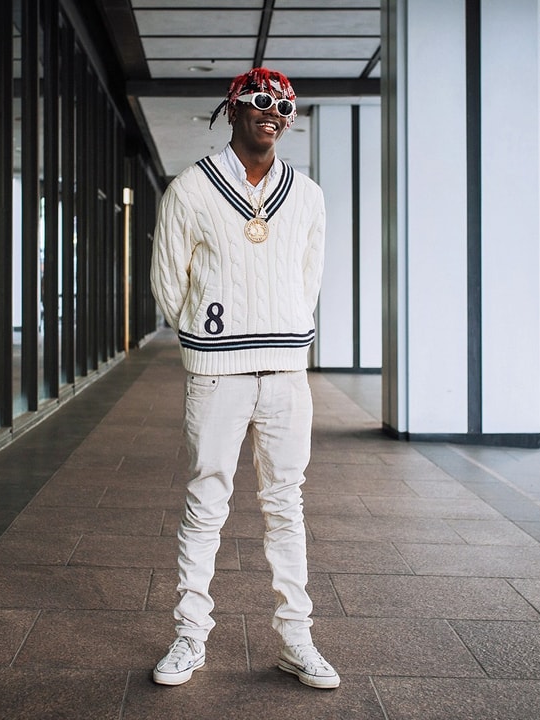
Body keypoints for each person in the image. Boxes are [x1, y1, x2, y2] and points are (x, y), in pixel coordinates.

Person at [149, 67, 338, 690]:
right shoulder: (190, 189)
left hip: (286, 371)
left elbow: (308, 277)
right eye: (260, 101)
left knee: (286, 502)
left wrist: (285, 327)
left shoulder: (306, 195)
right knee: (207, 500)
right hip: (217, 370)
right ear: (232, 109)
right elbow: (168, 279)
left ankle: (296, 639)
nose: (273, 112)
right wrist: (206, 334)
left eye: (284, 106)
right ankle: (189, 636)